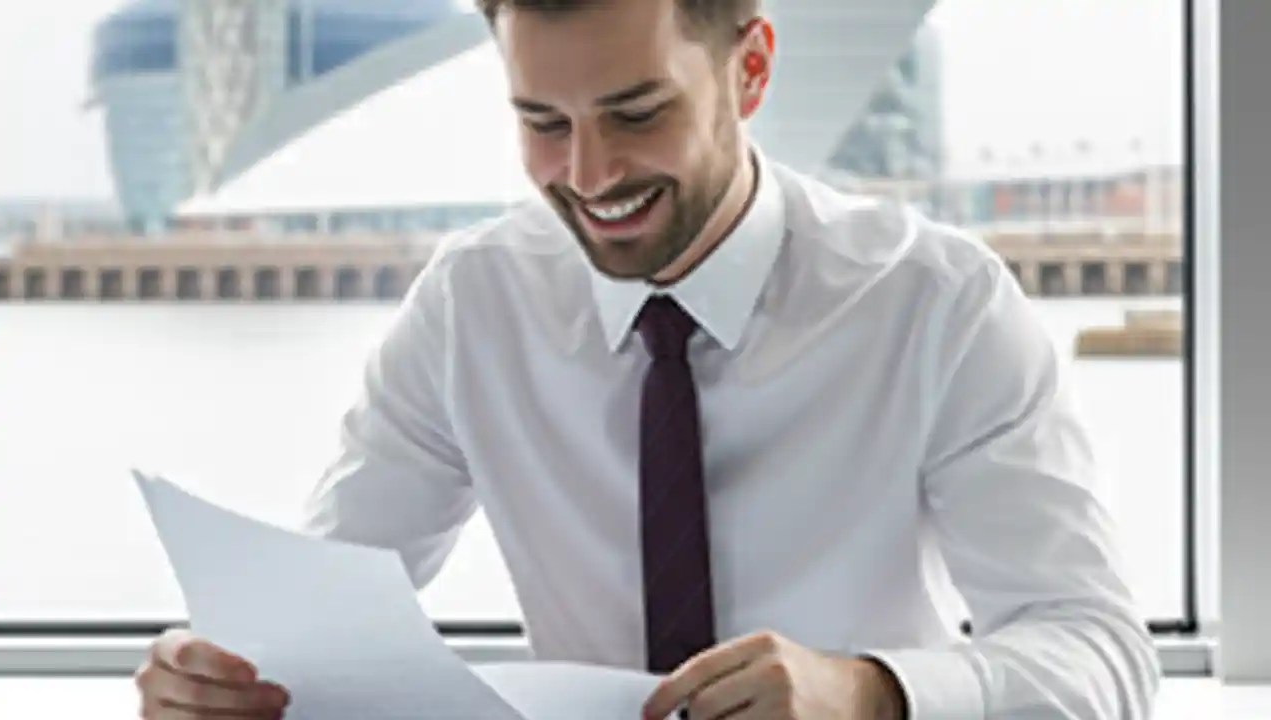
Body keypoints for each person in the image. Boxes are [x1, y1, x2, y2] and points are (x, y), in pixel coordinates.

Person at [134, 0, 1162, 717]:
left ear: (748, 69)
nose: (587, 175)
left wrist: (867, 692)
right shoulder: (471, 306)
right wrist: (218, 671)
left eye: (637, 114)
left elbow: (1101, 658)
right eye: (542, 123)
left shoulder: (935, 304)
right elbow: (326, 610)